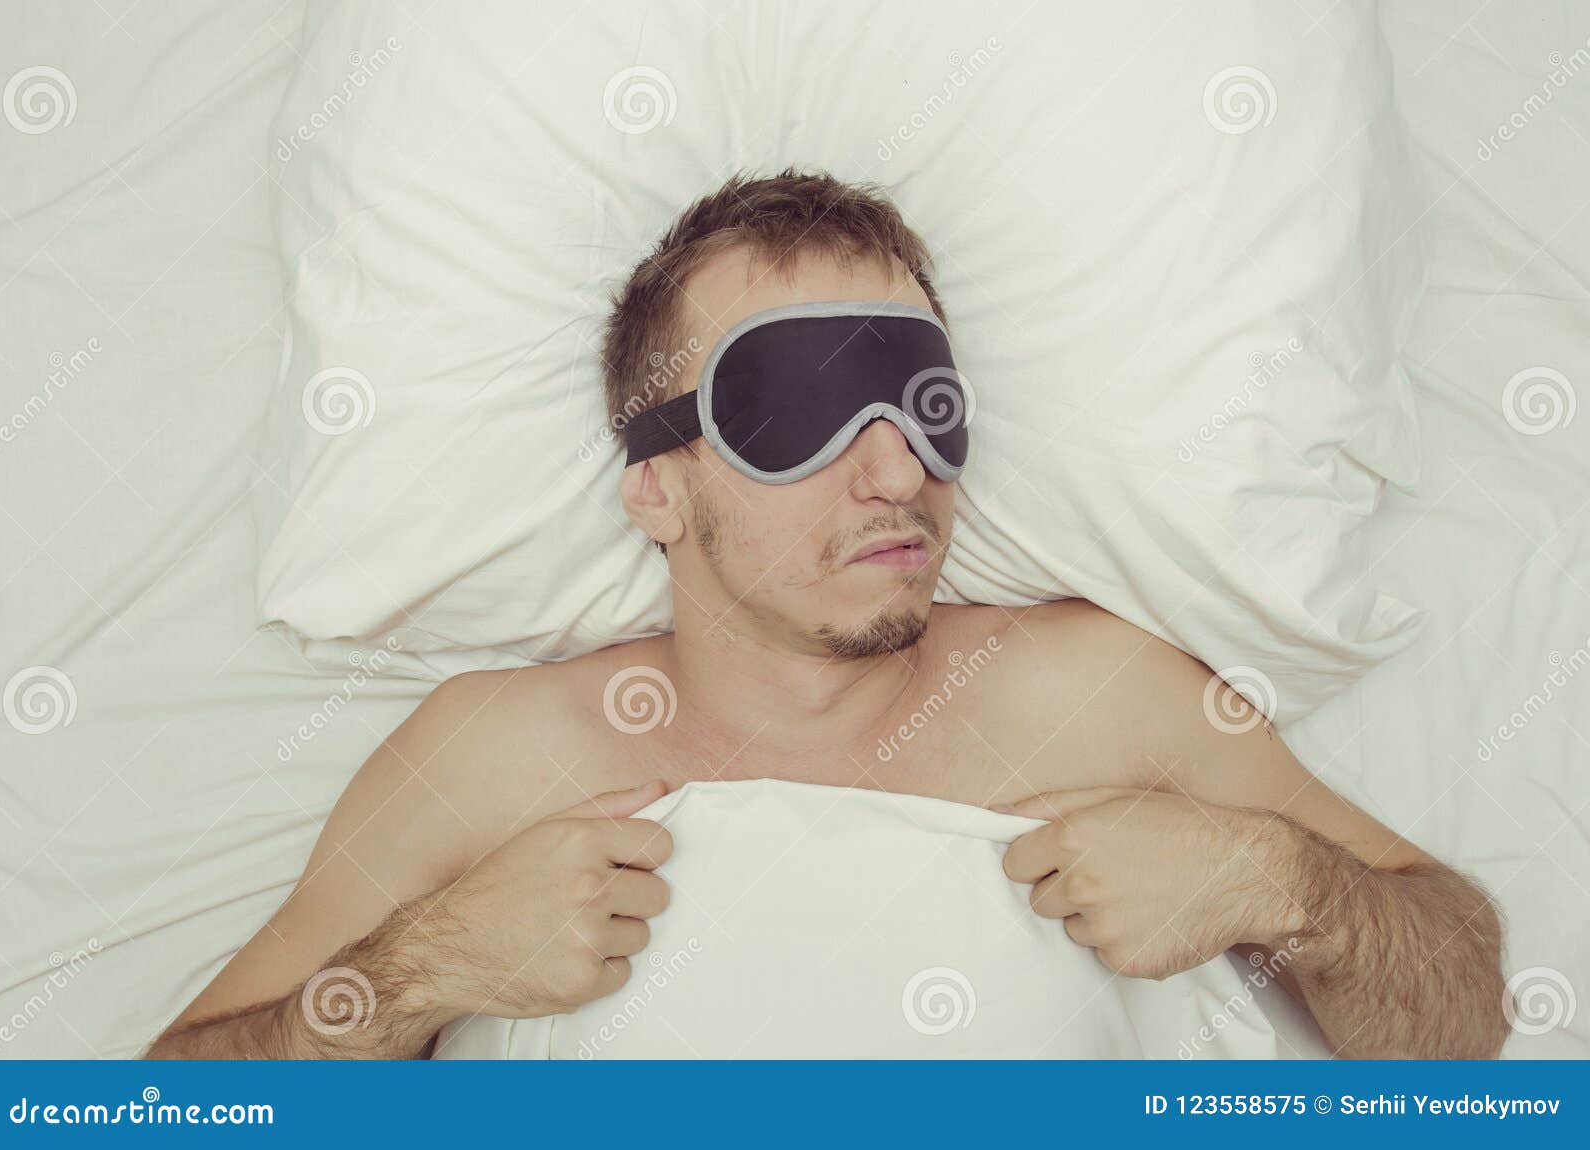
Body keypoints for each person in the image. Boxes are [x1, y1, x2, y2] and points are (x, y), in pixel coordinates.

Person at [147, 170, 1506, 1060]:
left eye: (921, 405)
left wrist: (1281, 883)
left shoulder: (1103, 692)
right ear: (659, 490)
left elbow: (1459, 1023)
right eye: (795, 412)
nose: (897, 470)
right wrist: (424, 965)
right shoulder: (499, 756)